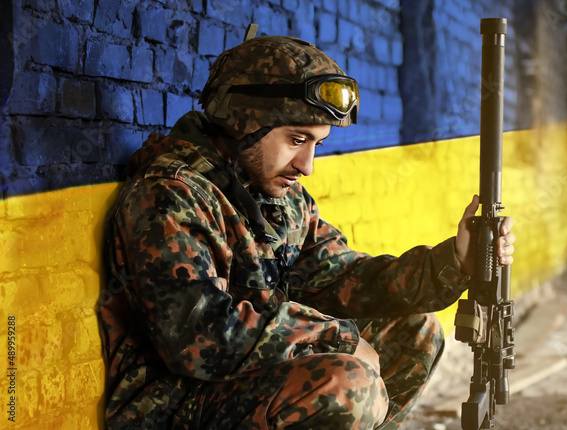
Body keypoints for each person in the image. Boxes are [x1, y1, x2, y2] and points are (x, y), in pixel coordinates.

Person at [96, 32, 515, 429]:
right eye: (297, 139)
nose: (307, 165)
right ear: (245, 122)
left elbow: (343, 278)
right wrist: (338, 339)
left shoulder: (276, 197)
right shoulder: (169, 197)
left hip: (238, 386)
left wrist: (454, 260)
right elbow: (198, 336)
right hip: (173, 402)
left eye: (317, 143)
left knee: (415, 331)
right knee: (347, 386)